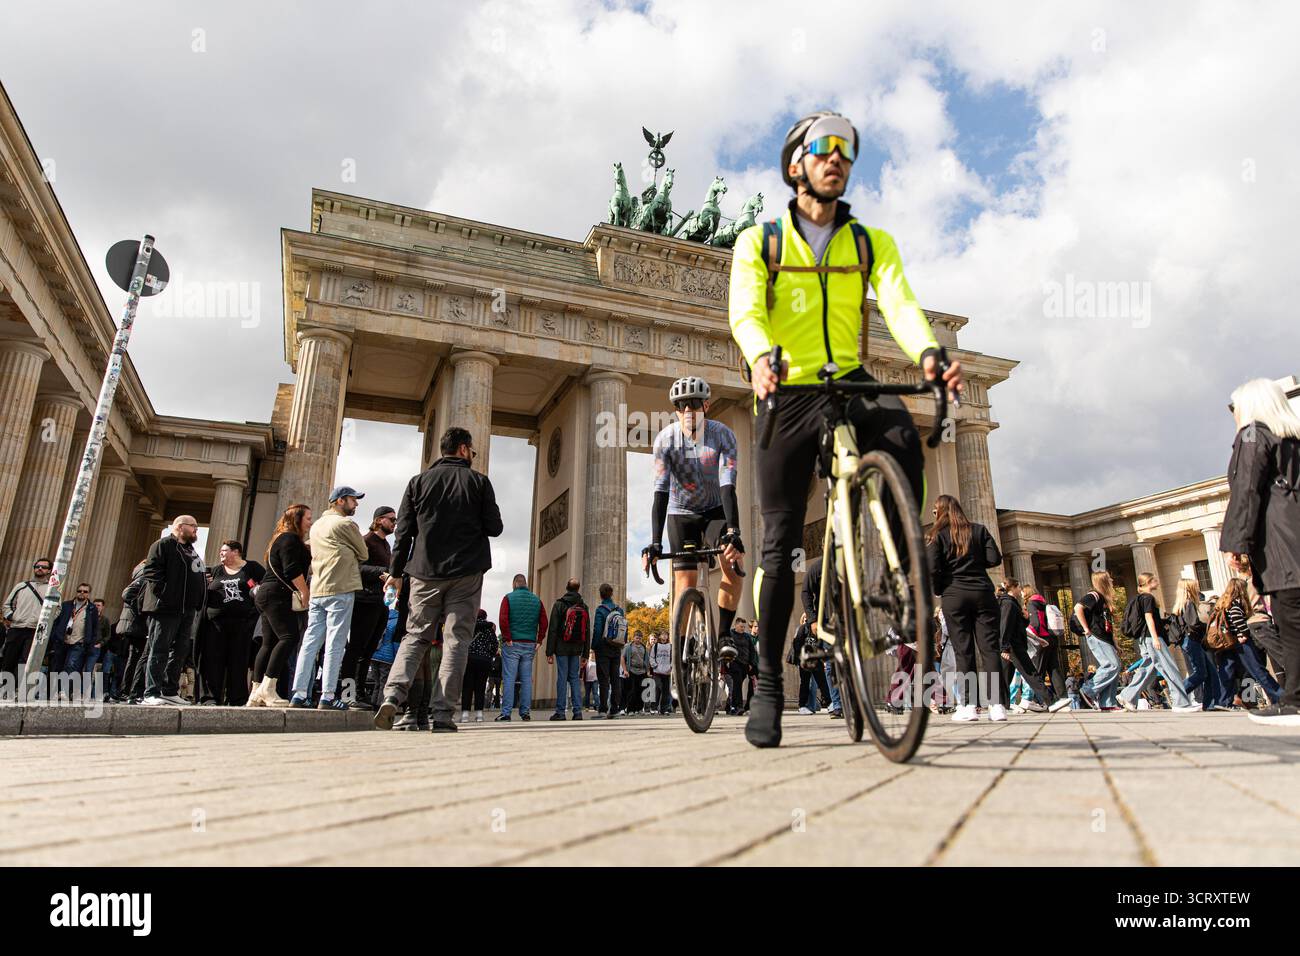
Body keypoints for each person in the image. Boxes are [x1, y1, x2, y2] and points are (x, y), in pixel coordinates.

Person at [728, 109, 963, 748]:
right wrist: (760, 358)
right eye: (824, 147)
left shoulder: (870, 243)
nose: (837, 158)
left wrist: (928, 356)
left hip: (850, 376)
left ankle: (895, 553)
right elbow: (745, 312)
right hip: (789, 386)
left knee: (903, 434)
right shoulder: (761, 242)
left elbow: (900, 303)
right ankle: (769, 688)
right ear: (796, 164)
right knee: (777, 543)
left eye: (847, 151)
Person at [376, 427, 504, 733]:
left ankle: (393, 695)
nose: (472, 456)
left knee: (415, 636)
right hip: (466, 572)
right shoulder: (479, 482)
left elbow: (403, 532)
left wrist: (395, 574)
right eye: (472, 451)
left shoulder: (417, 482)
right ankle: (443, 714)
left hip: (423, 571)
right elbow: (495, 527)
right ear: (463, 449)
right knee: (456, 640)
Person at [641, 376, 745, 653]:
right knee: (684, 583)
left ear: (706, 406)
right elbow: (660, 492)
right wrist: (654, 542)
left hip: (715, 510)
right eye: (682, 405)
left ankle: (723, 635)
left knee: (732, 566)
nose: (688, 410)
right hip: (681, 512)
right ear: (676, 410)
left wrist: (733, 531)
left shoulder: (723, 435)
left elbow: (727, 485)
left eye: (695, 404)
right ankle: (682, 651)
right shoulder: (665, 440)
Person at [1219, 378, 1300, 726]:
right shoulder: (1293, 441)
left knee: (1291, 623)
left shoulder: (1253, 434)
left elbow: (1246, 490)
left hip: (1282, 547)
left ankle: (1295, 701)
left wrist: (1236, 544)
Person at [289, 486, 368, 710]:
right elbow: (363, 553)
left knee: (310, 642)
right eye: (354, 499)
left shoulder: (316, 526)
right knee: (336, 643)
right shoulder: (345, 524)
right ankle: (328, 695)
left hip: (318, 587)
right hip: (340, 587)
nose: (357, 504)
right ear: (340, 501)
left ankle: (299, 693)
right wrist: (348, 551)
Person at [927, 495, 1004, 722]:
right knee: (990, 650)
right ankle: (997, 705)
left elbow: (931, 568)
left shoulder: (937, 536)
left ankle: (970, 706)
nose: (933, 514)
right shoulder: (979, 530)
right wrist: (976, 562)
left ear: (941, 511)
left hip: (954, 595)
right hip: (982, 592)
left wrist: (941, 588)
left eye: (934, 511)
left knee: (964, 651)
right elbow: (994, 558)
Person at [249, 504, 312, 708]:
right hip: (278, 594)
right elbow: (291, 568)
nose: (310, 522)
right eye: (308, 518)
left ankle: (256, 691)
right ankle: (268, 688)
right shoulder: (290, 538)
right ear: (297, 519)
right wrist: (304, 591)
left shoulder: (278, 538)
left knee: (269, 643)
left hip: (266, 593)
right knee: (289, 637)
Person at [139, 516, 206, 706]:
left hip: (187, 609)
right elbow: (151, 572)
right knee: (159, 648)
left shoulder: (190, 550)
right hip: (166, 608)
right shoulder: (163, 545)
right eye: (193, 526)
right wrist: (165, 596)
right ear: (180, 527)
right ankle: (151, 692)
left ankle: (169, 690)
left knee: (180, 651)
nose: (196, 530)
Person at [339, 505, 397, 709]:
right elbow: (356, 566)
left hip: (380, 601)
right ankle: (347, 694)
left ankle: (360, 692)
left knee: (369, 649)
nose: (394, 523)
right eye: (391, 519)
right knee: (356, 647)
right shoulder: (366, 541)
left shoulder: (386, 545)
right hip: (363, 599)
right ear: (379, 520)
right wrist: (381, 571)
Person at [1117, 572, 1198, 713]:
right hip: (1152, 638)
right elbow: (1149, 619)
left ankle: (1127, 696)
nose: (1157, 581)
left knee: (1148, 669)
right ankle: (1181, 703)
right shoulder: (1148, 598)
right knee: (1170, 669)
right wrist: (1155, 638)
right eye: (1154, 579)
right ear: (1148, 582)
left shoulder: (1139, 598)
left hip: (1144, 638)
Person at [200, 540, 264, 706]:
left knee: (238, 661)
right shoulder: (215, 571)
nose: (221, 553)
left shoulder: (252, 568)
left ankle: (236, 698)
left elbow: (264, 586)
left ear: (236, 552)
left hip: (242, 624)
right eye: (220, 551)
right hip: (216, 623)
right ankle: (211, 698)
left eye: (225, 551)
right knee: (213, 660)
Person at [997, 579, 1069, 714]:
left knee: (1006, 675)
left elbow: (1017, 626)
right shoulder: (1008, 603)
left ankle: (1001, 704)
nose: (1021, 591)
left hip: (1013, 644)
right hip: (1013, 646)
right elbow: (1005, 626)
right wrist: (1004, 647)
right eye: (1019, 588)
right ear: (1013, 588)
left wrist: (1036, 637)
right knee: (1031, 674)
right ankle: (1051, 701)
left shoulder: (1012, 604)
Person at [1212, 577, 1282, 710]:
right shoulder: (1235, 603)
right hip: (1243, 641)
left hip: (1231, 643)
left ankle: (1233, 700)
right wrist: (1243, 633)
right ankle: (1278, 696)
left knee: (1241, 672)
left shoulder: (1225, 602)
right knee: (1258, 670)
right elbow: (1238, 620)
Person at [496, 573, 548, 721]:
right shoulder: (537, 600)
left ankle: (506, 713)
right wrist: (539, 640)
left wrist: (507, 637)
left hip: (512, 643)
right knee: (526, 680)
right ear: (525, 584)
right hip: (530, 643)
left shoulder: (508, 598)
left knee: (509, 678)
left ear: (514, 584)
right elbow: (544, 621)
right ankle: (525, 712)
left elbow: (503, 618)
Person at [1, 557, 53, 693]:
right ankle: (5, 687)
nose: (40, 568)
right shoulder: (21, 585)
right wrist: (12, 616)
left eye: (43, 567)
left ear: (49, 571)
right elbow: (7, 605)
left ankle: (19, 689)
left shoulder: (51, 590)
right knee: (9, 658)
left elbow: (56, 610)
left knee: (25, 661)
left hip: (34, 630)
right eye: (37, 566)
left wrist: (44, 622)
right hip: (17, 628)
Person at [1074, 572, 1121, 711]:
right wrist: (1086, 628)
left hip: (1105, 637)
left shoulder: (1104, 599)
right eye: (1109, 578)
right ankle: (1088, 690)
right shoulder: (1093, 595)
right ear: (1103, 581)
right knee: (1112, 665)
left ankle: (1108, 703)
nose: (1112, 580)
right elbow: (1078, 608)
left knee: (1115, 667)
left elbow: (1108, 623)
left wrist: (1115, 643)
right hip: (1096, 635)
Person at [1168, 577, 1217, 710]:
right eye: (1195, 585)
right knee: (1201, 673)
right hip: (1192, 641)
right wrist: (1207, 625)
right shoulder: (1189, 603)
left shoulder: (1181, 604)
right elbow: (1193, 624)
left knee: (1210, 672)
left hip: (1189, 641)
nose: (1197, 587)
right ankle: (1179, 695)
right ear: (1190, 588)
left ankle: (1211, 704)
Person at [546, 578, 590, 721]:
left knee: (562, 678)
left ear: (567, 588)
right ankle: (578, 712)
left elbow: (552, 629)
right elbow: (587, 631)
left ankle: (560, 711)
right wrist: (585, 653)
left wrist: (549, 651)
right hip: (577, 648)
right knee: (575, 679)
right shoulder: (584, 606)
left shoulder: (559, 604)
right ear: (578, 589)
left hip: (561, 647)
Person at [51, 583, 99, 697]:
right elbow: (57, 621)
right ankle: (55, 690)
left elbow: (94, 628)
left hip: (79, 642)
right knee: (58, 666)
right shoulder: (66, 605)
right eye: (80, 591)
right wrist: (56, 635)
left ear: (88, 594)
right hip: (63, 641)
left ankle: (64, 690)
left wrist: (90, 643)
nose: (82, 593)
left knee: (71, 666)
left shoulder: (92, 608)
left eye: (85, 591)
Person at [590, 582, 626, 719]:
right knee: (615, 679)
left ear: (601, 594)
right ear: (611, 594)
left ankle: (603, 709)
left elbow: (598, 630)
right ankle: (615, 709)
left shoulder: (601, 610)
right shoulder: (619, 609)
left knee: (603, 679)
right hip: (616, 647)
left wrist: (594, 646)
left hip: (603, 648)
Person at [460, 609, 498, 723]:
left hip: (469, 659)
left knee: (467, 687)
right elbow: (495, 645)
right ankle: (479, 714)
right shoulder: (489, 629)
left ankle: (465, 715)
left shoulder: (468, 627)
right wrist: (489, 655)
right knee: (480, 688)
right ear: (485, 617)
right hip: (484, 661)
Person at [620, 630, 650, 715]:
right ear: (633, 638)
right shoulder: (628, 646)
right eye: (637, 638)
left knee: (641, 691)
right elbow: (622, 658)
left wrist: (647, 670)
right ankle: (630, 710)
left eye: (640, 638)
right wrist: (625, 670)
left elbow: (646, 659)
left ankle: (639, 709)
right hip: (631, 670)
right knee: (631, 691)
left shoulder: (644, 647)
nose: (638, 640)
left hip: (642, 671)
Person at [649, 630, 673, 715]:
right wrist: (654, 665)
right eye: (663, 634)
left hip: (667, 671)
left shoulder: (670, 646)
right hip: (657, 671)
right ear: (660, 636)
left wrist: (671, 666)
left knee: (666, 691)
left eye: (666, 635)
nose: (664, 636)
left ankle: (664, 709)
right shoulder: (655, 646)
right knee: (657, 689)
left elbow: (673, 658)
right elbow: (651, 657)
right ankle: (653, 707)